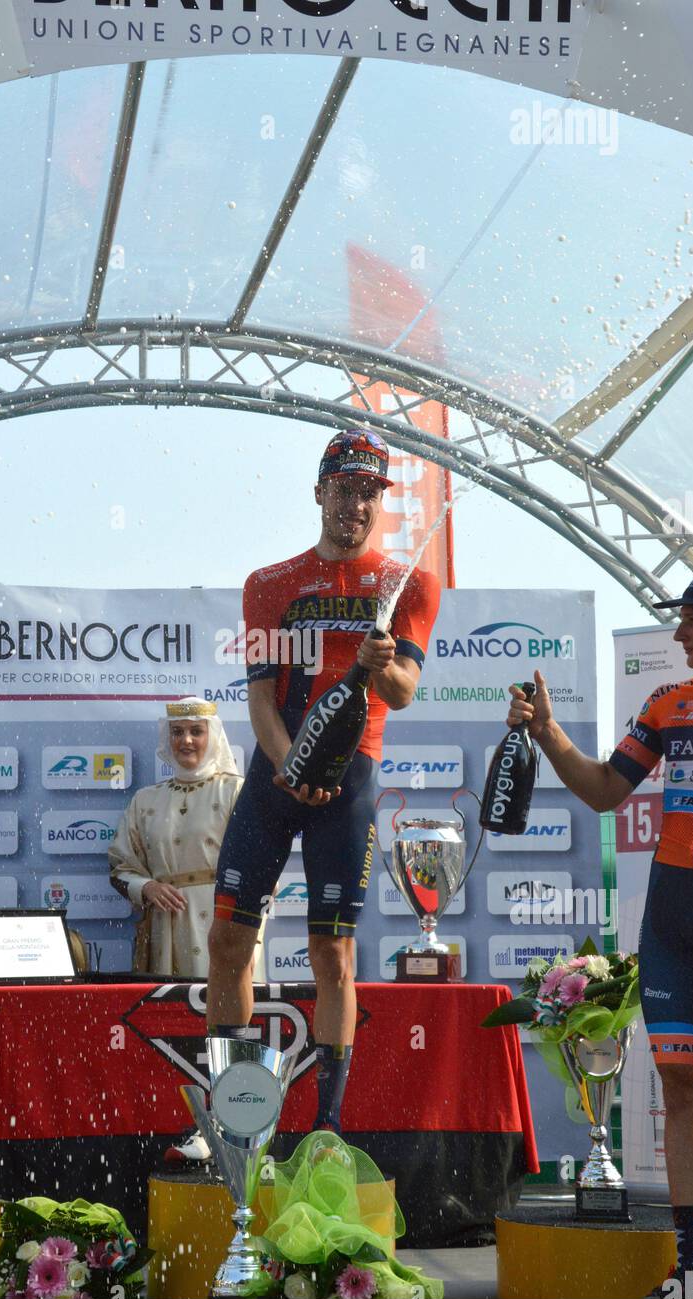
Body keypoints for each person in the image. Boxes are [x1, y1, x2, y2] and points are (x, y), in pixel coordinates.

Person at [206, 428, 441, 1138]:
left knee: (332, 952)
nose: (357, 505)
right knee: (226, 938)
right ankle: (233, 1111)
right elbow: (258, 701)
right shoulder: (268, 584)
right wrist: (290, 769)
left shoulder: (408, 584)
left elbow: (403, 693)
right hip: (277, 769)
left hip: (352, 777)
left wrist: (381, 663)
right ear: (319, 492)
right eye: (345, 489)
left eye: (371, 492)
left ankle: (327, 1128)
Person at [507, 575, 693, 1298]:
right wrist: (547, 731)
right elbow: (602, 791)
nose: (679, 635)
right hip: (675, 920)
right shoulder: (669, 703)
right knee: (681, 1084)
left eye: (690, 621)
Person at [108, 699, 260, 981]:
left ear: (212, 736)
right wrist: (147, 887)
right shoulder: (145, 800)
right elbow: (120, 867)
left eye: (196, 731)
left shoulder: (235, 792)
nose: (186, 740)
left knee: (224, 1005)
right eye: (177, 732)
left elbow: (261, 866)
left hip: (224, 922)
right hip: (165, 927)